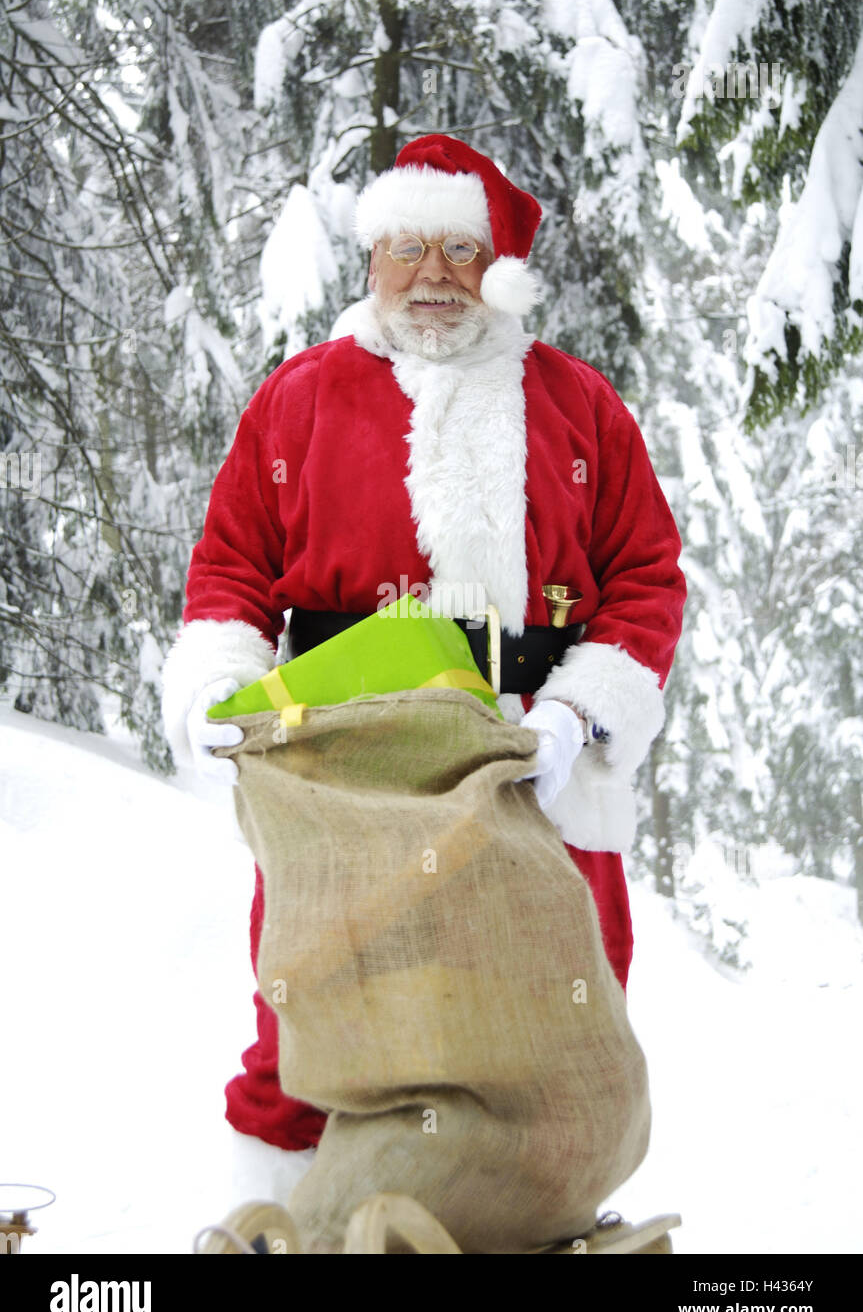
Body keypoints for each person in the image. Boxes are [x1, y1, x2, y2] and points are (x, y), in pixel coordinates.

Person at [160, 133, 687, 1207]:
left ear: (496, 266)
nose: (432, 274)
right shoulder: (295, 402)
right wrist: (218, 692)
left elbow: (643, 576)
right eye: (406, 247)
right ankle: (289, 1216)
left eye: (458, 248)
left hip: (531, 758)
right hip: (343, 766)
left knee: (560, 1002)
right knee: (312, 999)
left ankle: (536, 1215)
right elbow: (229, 569)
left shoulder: (580, 406)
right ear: (370, 259)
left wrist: (577, 718)